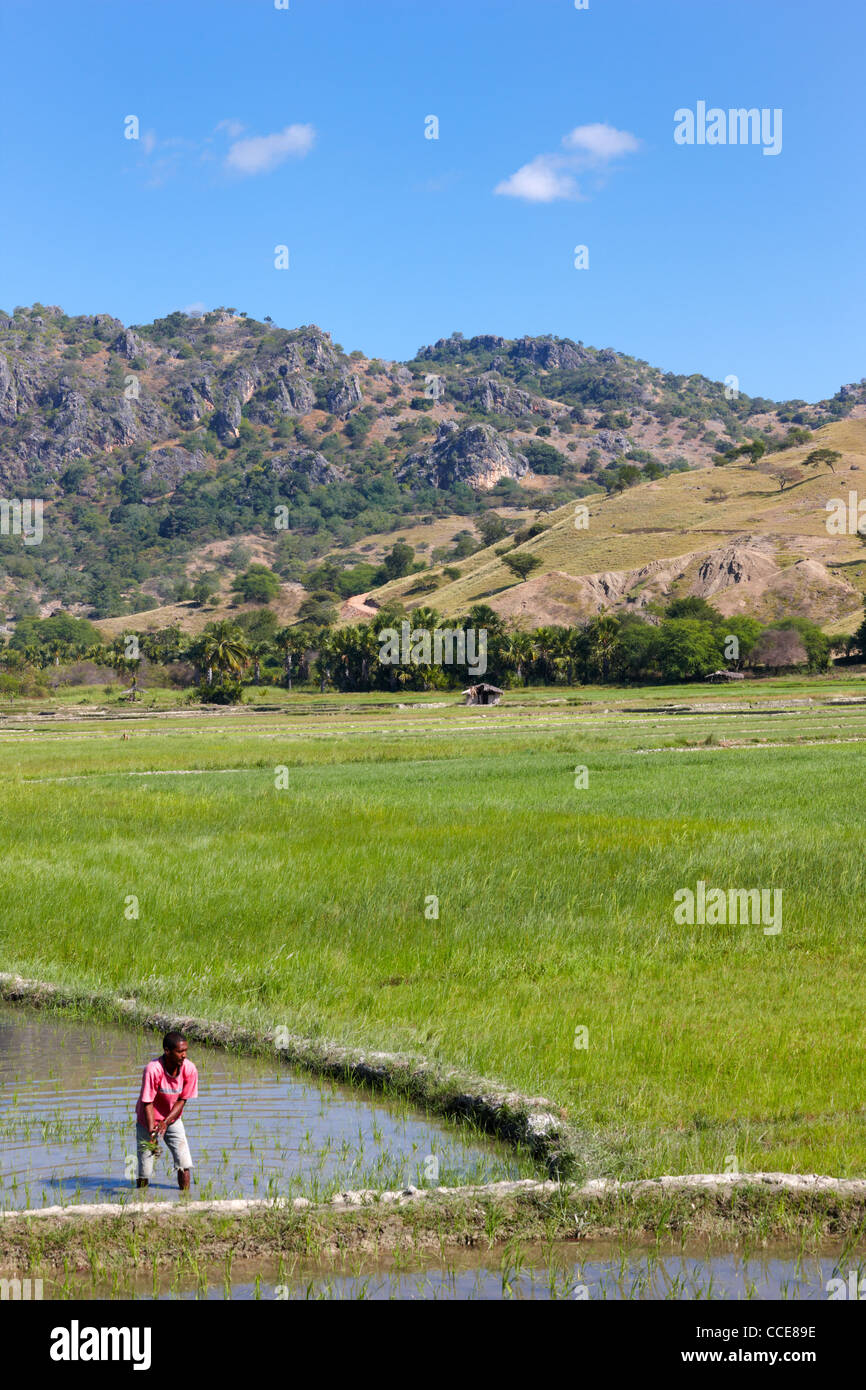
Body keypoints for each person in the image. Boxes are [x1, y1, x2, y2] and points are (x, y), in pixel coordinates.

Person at [135, 1031, 198, 1192]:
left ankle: (185, 1200)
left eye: (185, 1051)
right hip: (147, 1120)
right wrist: (152, 1132)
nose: (184, 1055)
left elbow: (182, 1101)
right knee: (145, 1168)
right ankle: (141, 1199)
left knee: (184, 1163)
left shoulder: (189, 1069)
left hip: (173, 1119)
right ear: (167, 1051)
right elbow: (147, 1102)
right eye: (179, 1051)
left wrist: (166, 1121)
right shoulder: (153, 1069)